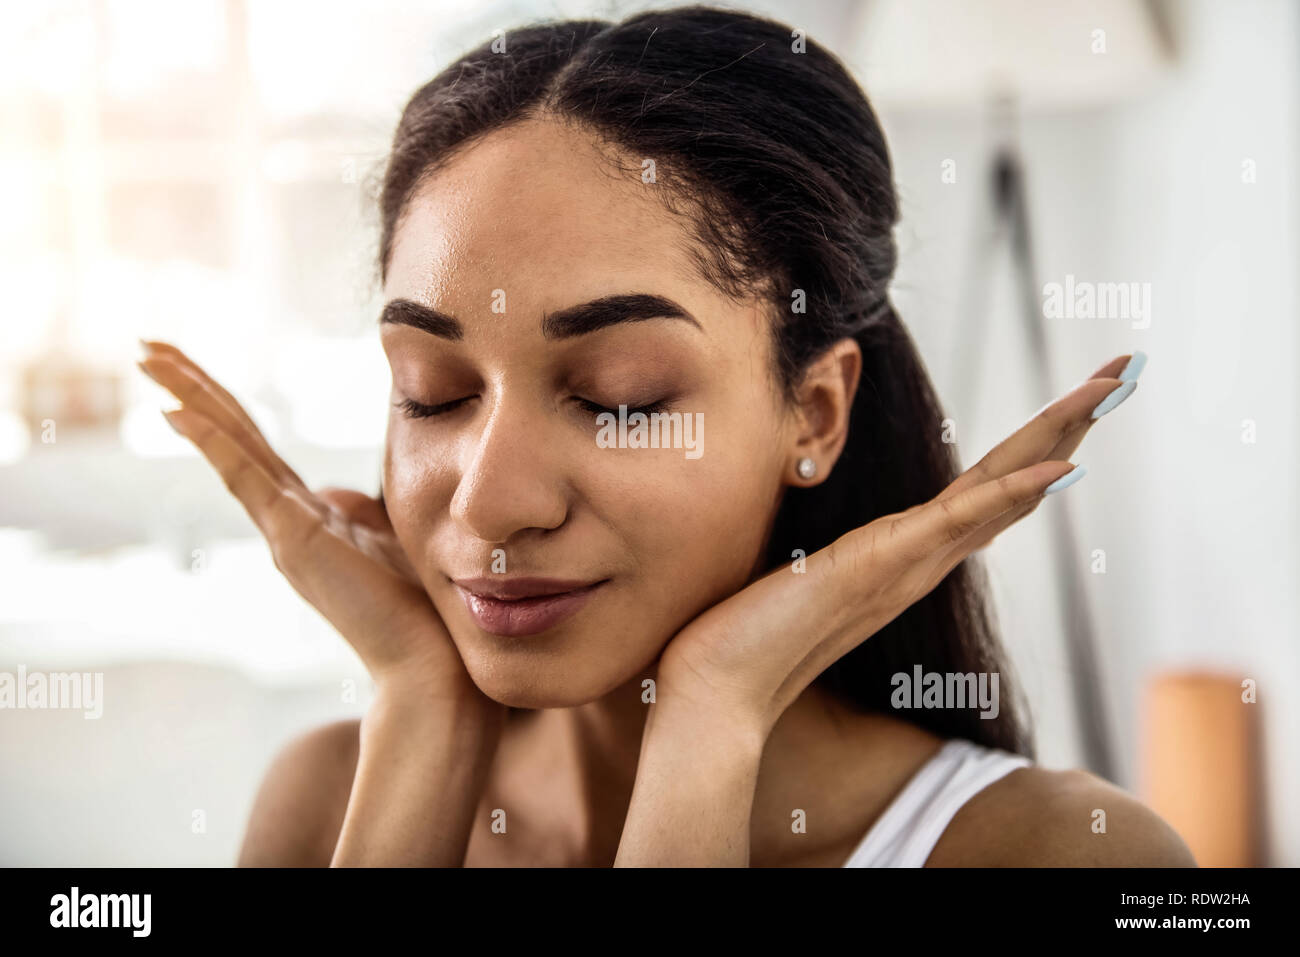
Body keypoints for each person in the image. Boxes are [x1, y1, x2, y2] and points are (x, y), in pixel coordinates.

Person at [138, 5, 1193, 867]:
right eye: (434, 391)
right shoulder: (331, 802)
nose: (488, 503)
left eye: (618, 398)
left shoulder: (1059, 856)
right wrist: (424, 712)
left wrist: (711, 728)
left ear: (813, 413)